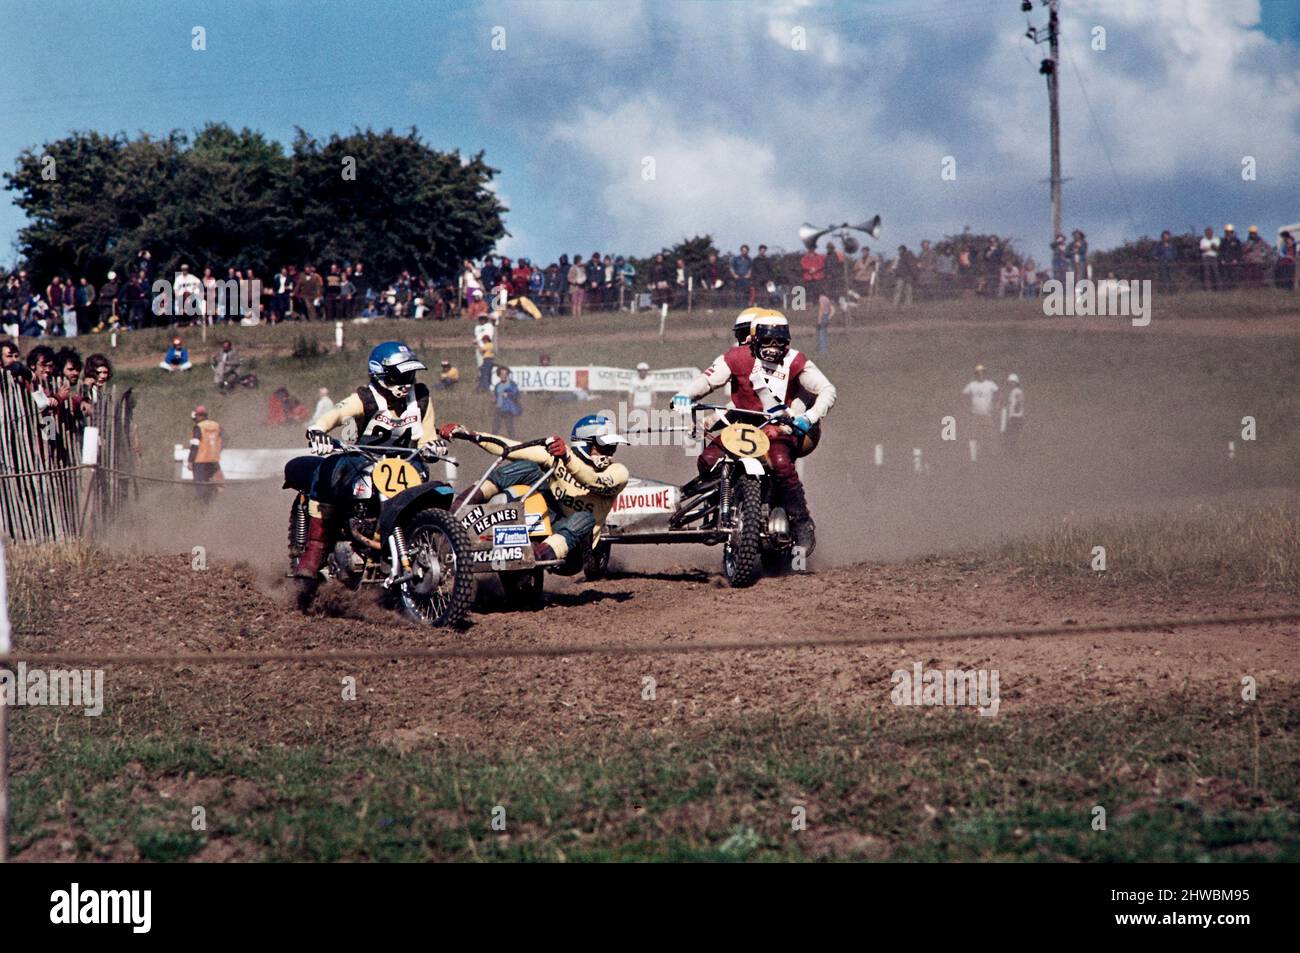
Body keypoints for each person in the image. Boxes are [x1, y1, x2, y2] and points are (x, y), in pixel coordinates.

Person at [670, 311, 836, 554]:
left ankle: (801, 521)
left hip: (778, 427)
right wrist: (685, 396)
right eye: (767, 341)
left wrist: (807, 418)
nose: (773, 347)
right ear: (754, 339)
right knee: (707, 460)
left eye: (779, 341)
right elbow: (708, 381)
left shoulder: (796, 360)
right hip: (741, 428)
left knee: (780, 463)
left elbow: (826, 389)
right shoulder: (736, 357)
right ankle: (717, 508)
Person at [283, 342, 443, 586]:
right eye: (400, 375)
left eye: (410, 374)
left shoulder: (421, 398)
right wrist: (318, 431)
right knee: (329, 473)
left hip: (407, 463)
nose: (407, 381)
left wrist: (433, 446)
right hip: (363, 460)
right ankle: (315, 549)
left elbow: (427, 433)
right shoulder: (365, 398)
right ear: (381, 374)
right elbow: (334, 415)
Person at [440, 414, 629, 568]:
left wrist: (568, 457)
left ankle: (535, 558)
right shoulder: (558, 457)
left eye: (613, 447)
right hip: (550, 523)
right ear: (586, 443)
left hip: (576, 550)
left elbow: (593, 480)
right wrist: (467, 434)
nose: (611, 452)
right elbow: (511, 448)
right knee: (526, 466)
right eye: (606, 446)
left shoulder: (618, 472)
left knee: (585, 517)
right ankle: (458, 511)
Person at [962, 364, 999, 463]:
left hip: (987, 415)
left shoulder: (990, 384)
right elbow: (963, 396)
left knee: (990, 435)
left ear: (985, 373)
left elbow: (999, 394)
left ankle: (992, 457)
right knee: (974, 436)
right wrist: (966, 408)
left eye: (982, 372)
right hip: (975, 415)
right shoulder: (972, 384)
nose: (980, 374)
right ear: (976, 374)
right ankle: (975, 458)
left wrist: (996, 406)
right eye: (978, 373)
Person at [187, 405, 223, 504]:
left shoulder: (198, 427)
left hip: (200, 461)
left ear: (198, 416)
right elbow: (226, 438)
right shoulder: (216, 425)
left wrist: (190, 461)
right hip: (213, 460)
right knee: (213, 482)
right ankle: (213, 500)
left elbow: (195, 445)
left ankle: (203, 505)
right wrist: (217, 450)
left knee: (200, 486)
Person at [491, 366, 522, 437]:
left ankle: (513, 442)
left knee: (509, 427)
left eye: (505, 374)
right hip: (498, 408)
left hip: (508, 408)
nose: (503, 376)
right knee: (495, 427)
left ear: (507, 375)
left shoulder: (512, 384)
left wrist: (508, 394)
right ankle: (492, 441)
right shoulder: (497, 386)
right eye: (501, 374)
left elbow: (517, 395)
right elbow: (496, 395)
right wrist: (494, 399)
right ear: (499, 375)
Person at [1001, 373, 1025, 458]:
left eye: (1013, 382)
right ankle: (1013, 454)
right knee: (1011, 436)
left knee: (1016, 436)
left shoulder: (1018, 391)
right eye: (1010, 382)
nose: (1011, 383)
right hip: (1012, 417)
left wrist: (1015, 415)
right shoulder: (1012, 392)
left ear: (1016, 382)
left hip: (1017, 417)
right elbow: (1011, 405)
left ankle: (1018, 455)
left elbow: (1019, 404)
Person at [1199, 227, 1221, 291]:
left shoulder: (1216, 239)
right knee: (1207, 274)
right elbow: (1202, 249)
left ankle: (1219, 289)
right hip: (1205, 258)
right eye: (1207, 232)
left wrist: (1208, 248)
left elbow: (1216, 248)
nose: (1208, 233)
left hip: (1214, 257)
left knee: (1216, 273)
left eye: (1210, 232)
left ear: (1212, 232)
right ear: (1205, 233)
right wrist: (1211, 247)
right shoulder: (1203, 240)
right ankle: (1208, 289)